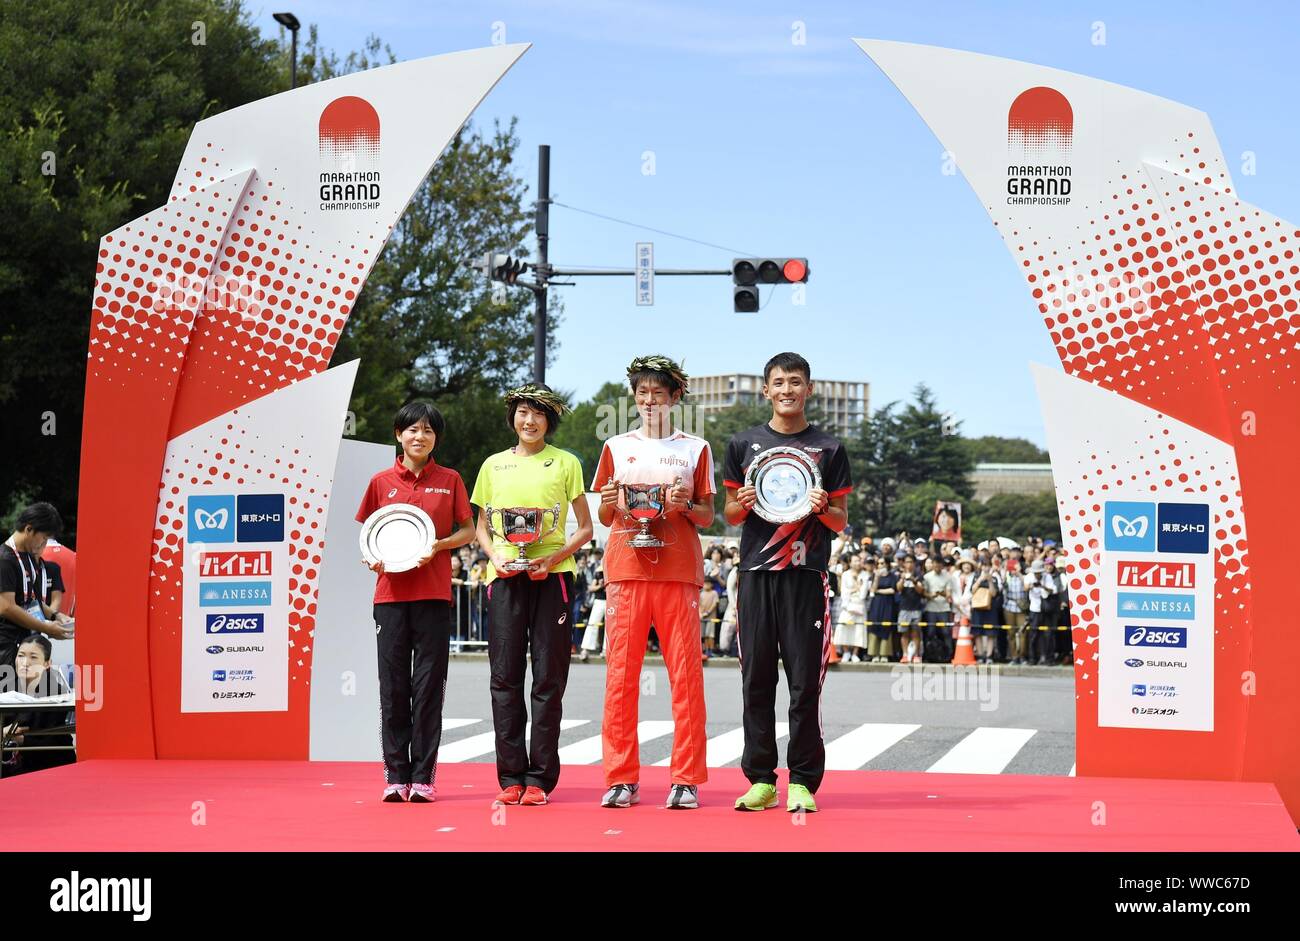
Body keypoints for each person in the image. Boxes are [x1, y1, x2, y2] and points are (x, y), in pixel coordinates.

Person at [724, 352, 851, 813]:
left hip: (805, 575)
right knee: (755, 679)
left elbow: (839, 522)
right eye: (778, 383)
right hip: (756, 574)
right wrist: (742, 499)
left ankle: (801, 780)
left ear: (809, 389)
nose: (787, 390)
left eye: (795, 382)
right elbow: (732, 514)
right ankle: (760, 778)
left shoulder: (829, 449)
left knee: (804, 682)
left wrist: (821, 507)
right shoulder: (743, 444)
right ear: (766, 390)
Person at [594, 355, 715, 810]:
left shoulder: (695, 448)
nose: (649, 400)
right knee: (620, 679)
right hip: (626, 567)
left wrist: (684, 505)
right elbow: (606, 515)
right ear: (634, 396)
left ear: (675, 397)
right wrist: (608, 501)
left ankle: (685, 778)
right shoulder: (614, 446)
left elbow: (707, 515)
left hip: (678, 570)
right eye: (642, 393)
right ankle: (621, 777)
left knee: (685, 677)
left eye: (658, 393)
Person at [472, 383, 593, 807]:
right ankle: (510, 777)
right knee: (504, 678)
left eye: (539, 414)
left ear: (549, 421)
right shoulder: (492, 466)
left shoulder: (566, 463)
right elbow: (482, 528)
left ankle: (540, 778)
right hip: (504, 578)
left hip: (553, 578)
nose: (530, 421)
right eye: (524, 412)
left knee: (547, 680)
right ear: (513, 418)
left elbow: (585, 528)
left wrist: (552, 557)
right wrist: (495, 558)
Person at [356, 401, 477, 803]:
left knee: (427, 689)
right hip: (390, 598)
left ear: (435, 438)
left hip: (434, 596)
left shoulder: (451, 479)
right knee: (393, 688)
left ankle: (423, 777)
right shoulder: (380, 482)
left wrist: (440, 545)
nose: (419, 437)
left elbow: (468, 531)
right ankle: (396, 776)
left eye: (427, 430)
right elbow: (370, 536)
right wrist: (371, 556)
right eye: (412, 430)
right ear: (398, 435)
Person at [0, 503, 74, 679]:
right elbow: (6, 607)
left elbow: (30, 599)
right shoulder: (5, 560)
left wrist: (56, 616)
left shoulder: (30, 557)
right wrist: (46, 627)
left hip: (26, 643)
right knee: (11, 700)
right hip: (5, 645)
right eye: (44, 537)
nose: (44, 543)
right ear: (29, 529)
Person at [1, 633, 74, 776]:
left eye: (33, 657)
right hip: (9, 764)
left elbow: (54, 741)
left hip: (49, 765)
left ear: (47, 663)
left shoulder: (57, 693)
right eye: (21, 655)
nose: (25, 662)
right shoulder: (6, 688)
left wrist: (19, 738)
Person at [921, 554, 958, 662]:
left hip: (944, 608)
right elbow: (924, 592)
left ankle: (948, 655)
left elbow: (948, 593)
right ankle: (928, 655)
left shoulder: (948, 577)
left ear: (942, 565)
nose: (937, 566)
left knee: (946, 632)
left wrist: (941, 593)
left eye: (939, 564)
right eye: (935, 564)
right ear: (932, 565)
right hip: (930, 608)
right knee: (930, 632)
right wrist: (930, 595)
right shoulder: (927, 577)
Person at [832, 553, 867, 661]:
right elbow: (844, 592)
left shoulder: (865, 575)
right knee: (843, 627)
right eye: (855, 561)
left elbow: (863, 593)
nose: (857, 563)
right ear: (850, 563)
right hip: (848, 605)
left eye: (858, 560)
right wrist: (855, 589)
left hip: (859, 604)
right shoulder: (846, 574)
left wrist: (857, 586)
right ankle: (846, 652)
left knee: (859, 629)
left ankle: (855, 653)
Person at [578, 549, 607, 661]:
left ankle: (605, 650)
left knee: (609, 627)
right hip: (599, 600)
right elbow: (591, 588)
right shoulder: (598, 572)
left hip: (611, 601)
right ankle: (585, 650)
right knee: (592, 624)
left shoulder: (614, 571)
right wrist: (601, 586)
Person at [896, 554, 925, 664]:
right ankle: (905, 654)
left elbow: (920, 591)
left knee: (915, 632)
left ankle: (916, 655)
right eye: (907, 562)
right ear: (904, 563)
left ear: (914, 563)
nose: (909, 564)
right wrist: (903, 579)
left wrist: (913, 580)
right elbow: (898, 589)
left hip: (916, 608)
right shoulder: (900, 574)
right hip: (904, 608)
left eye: (911, 562)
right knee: (904, 632)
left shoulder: (919, 575)